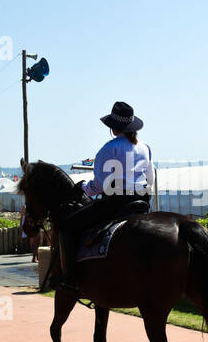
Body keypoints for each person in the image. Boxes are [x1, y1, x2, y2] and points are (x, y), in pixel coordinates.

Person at [52, 101, 153, 292]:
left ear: (113, 128)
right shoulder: (145, 148)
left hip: (116, 203)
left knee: (66, 227)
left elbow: (98, 186)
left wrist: (83, 187)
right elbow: (150, 178)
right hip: (141, 202)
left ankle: (69, 279)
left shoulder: (108, 149)